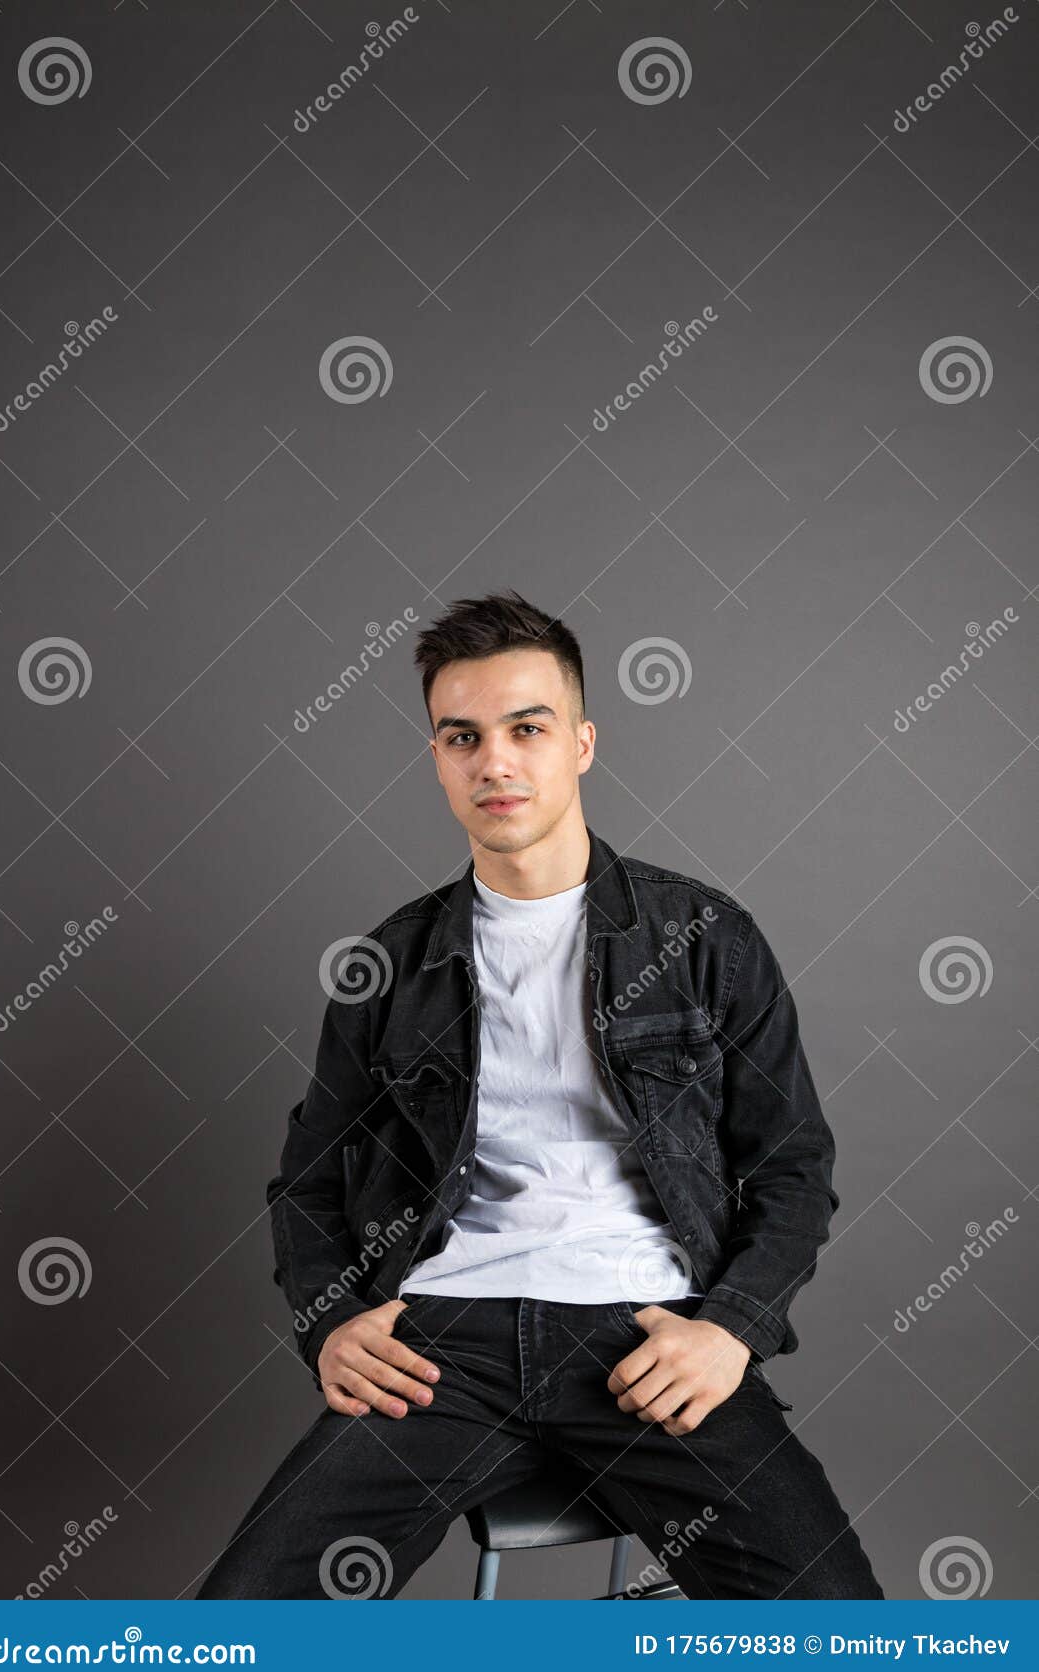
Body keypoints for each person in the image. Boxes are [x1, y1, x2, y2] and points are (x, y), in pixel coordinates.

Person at [196, 589, 884, 1600]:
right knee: (238, 1627)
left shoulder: (703, 937)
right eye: (461, 737)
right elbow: (307, 1181)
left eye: (527, 728)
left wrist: (729, 1329)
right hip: (442, 1347)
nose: (495, 762)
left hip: (639, 1337)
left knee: (839, 1633)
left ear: (581, 743)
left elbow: (792, 1166)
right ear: (437, 759)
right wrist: (329, 1322)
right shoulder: (389, 964)